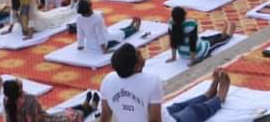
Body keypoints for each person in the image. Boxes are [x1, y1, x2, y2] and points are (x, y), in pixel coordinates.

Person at [99, 45, 230, 122]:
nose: (142, 53)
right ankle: (220, 97)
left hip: (151, 116)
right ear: (136, 66)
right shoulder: (151, 81)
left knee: (178, 106)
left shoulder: (108, 79)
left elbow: (105, 117)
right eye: (139, 54)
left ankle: (208, 94)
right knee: (194, 110)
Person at [4, 78, 97, 122]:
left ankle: (85, 104)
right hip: (43, 120)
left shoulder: (7, 100)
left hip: (42, 118)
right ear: (18, 89)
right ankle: (92, 106)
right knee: (74, 116)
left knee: (65, 112)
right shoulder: (29, 99)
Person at [166, 8, 235, 67]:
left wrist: (173, 57)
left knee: (205, 38)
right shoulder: (191, 24)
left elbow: (172, 41)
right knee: (214, 42)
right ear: (184, 16)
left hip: (182, 53)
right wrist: (193, 61)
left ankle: (221, 34)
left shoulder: (171, 24)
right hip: (198, 53)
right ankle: (229, 36)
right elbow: (192, 44)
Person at [75, 0, 141, 55]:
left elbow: (80, 32)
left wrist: (80, 45)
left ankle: (130, 26)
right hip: (103, 44)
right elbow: (100, 35)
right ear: (89, 8)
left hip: (90, 45)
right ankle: (135, 28)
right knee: (121, 34)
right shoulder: (97, 17)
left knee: (118, 31)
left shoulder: (79, 18)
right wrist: (104, 50)